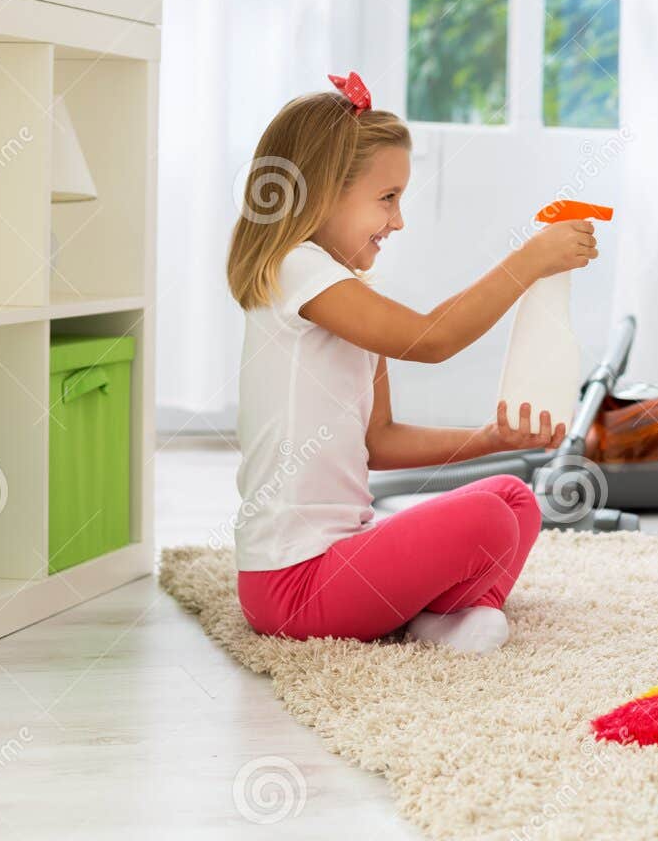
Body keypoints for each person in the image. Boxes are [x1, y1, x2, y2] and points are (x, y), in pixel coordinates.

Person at [225, 75, 598, 652]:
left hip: (341, 556)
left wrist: (491, 438)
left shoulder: (341, 293)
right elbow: (431, 339)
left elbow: (379, 440)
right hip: (289, 584)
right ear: (322, 195)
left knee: (511, 499)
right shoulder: (295, 269)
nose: (398, 221)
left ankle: (432, 618)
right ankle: (446, 615)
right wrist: (531, 259)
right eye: (387, 198)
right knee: (487, 524)